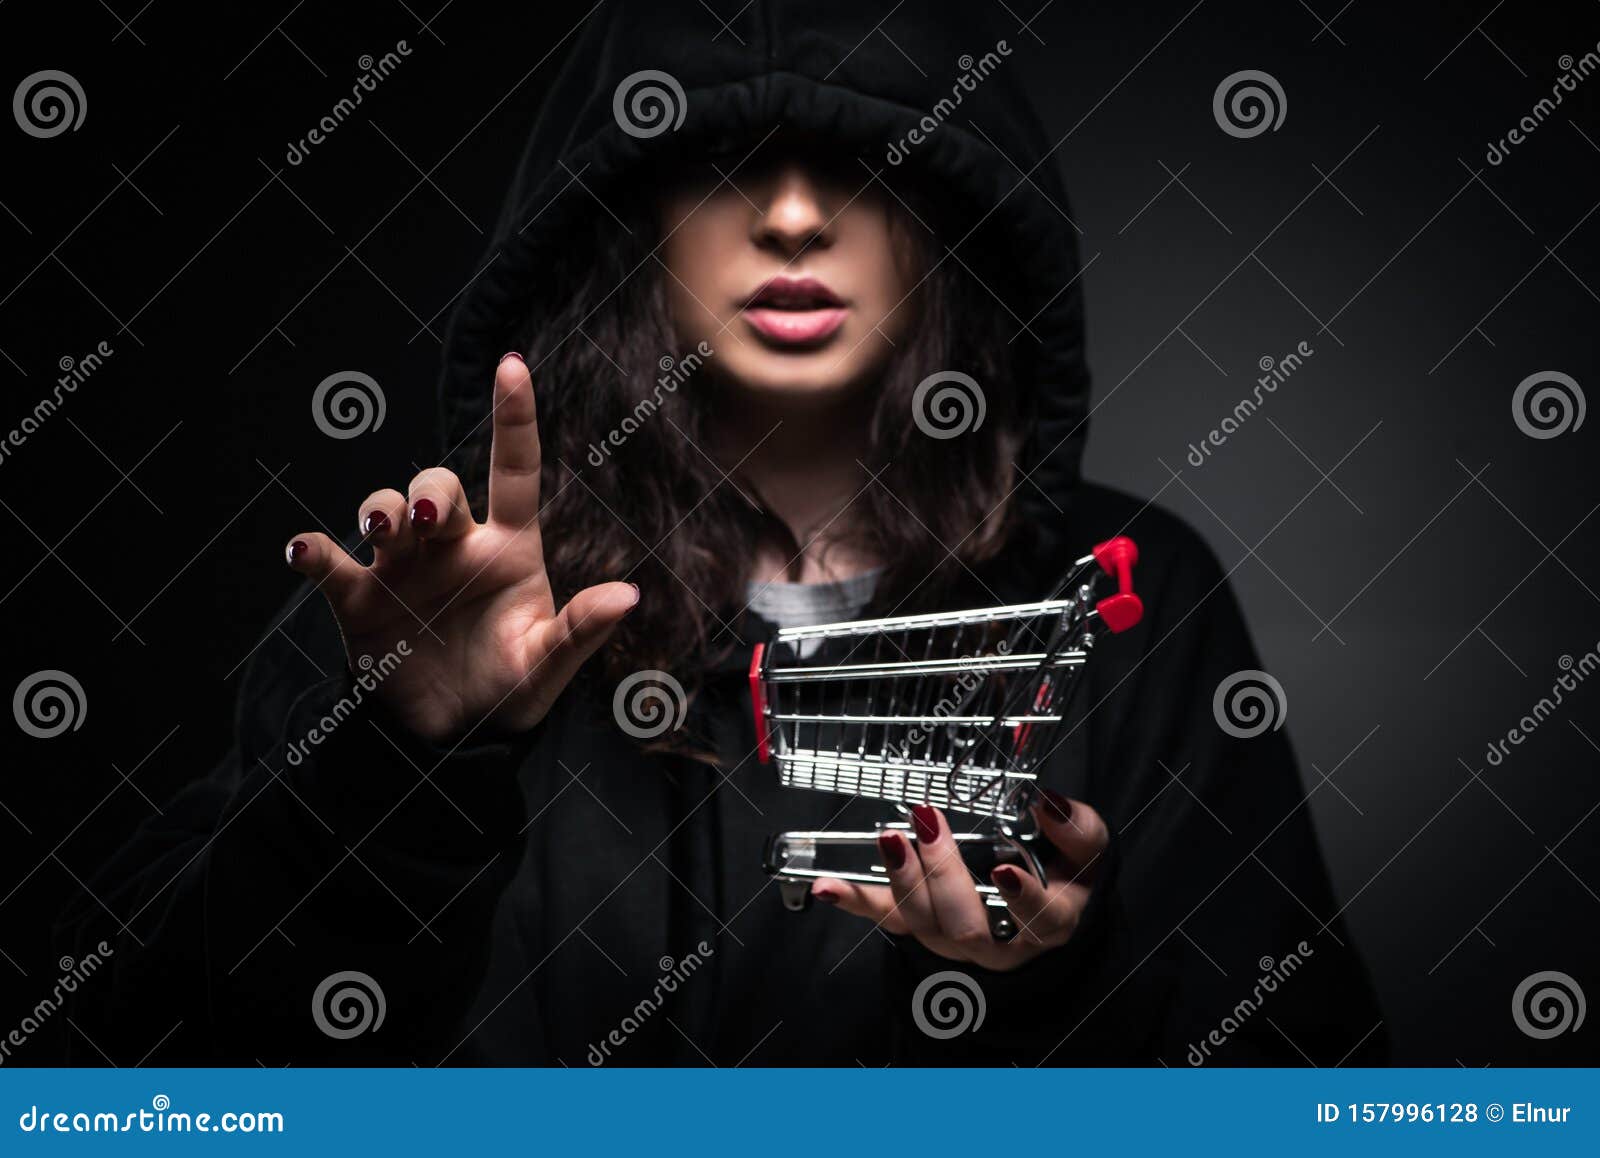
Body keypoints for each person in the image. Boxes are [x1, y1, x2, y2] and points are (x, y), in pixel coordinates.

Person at [59, 0, 1384, 1065]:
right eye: (724, 161)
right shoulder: (433, 608)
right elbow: (117, 1076)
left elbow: (1309, 1093)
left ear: (950, 217)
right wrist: (395, 769)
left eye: (862, 163)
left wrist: (1043, 988)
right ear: (628, 214)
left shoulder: (1122, 610)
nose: (795, 214)